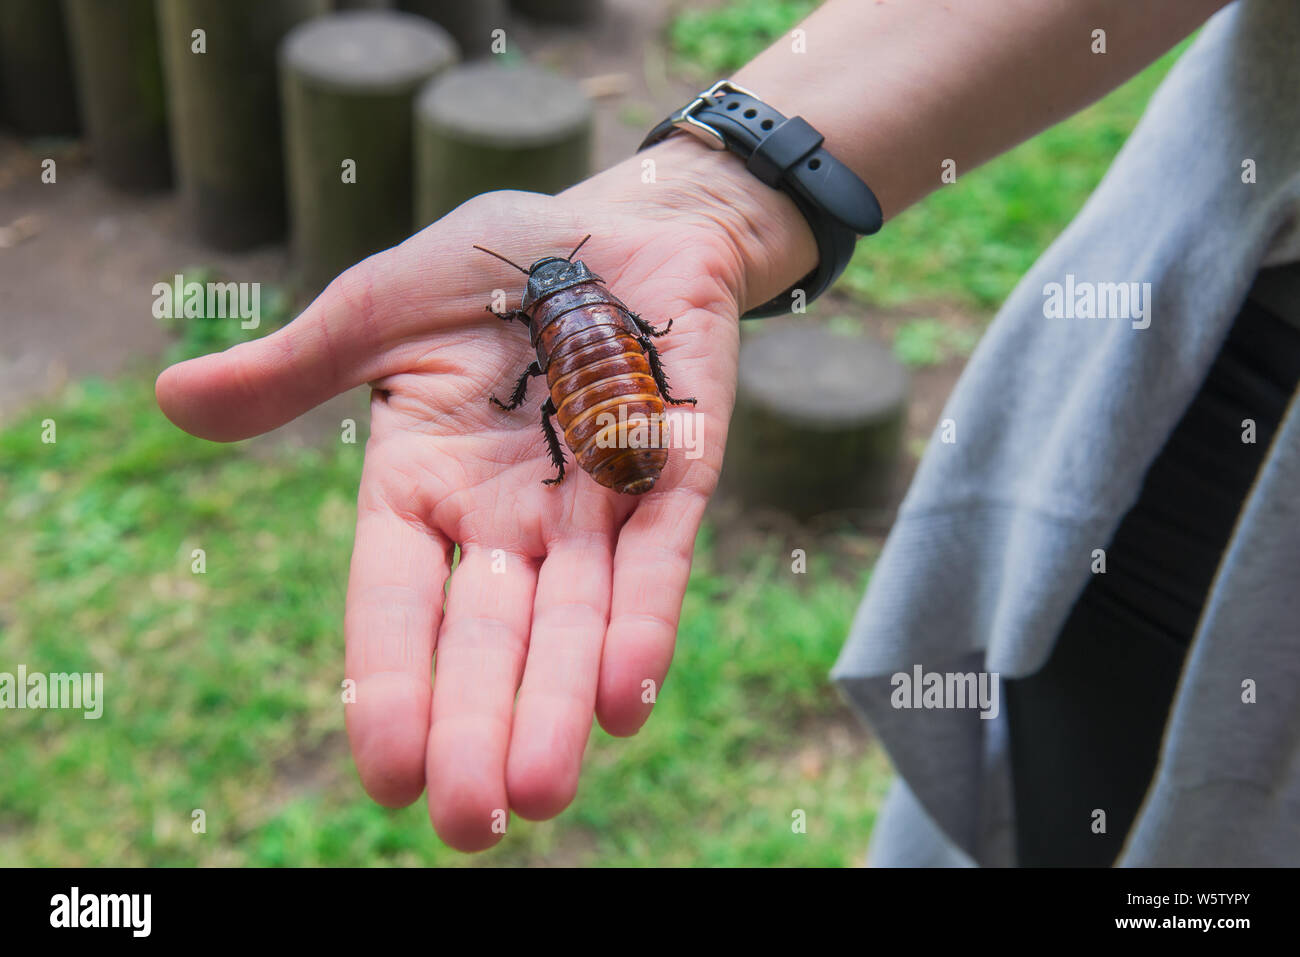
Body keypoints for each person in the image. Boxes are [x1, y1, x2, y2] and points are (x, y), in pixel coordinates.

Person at [157, 0, 1298, 862]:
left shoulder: (560, 336)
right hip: (1227, 353)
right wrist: (715, 192)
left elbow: (574, 373)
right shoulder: (588, 321)